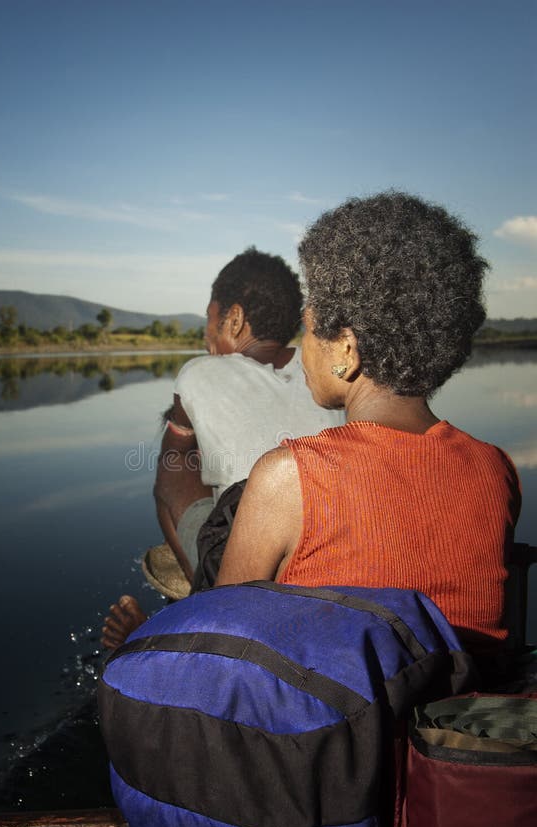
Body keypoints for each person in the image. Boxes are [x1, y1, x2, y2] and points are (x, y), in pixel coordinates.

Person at [216, 192, 521, 659]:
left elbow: (218, 650)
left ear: (346, 349)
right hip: (458, 722)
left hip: (340, 730)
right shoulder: (495, 468)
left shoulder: (289, 478)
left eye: (309, 319)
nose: (303, 341)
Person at [101, 247, 343, 648]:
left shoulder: (200, 372)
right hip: (332, 547)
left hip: (257, 566)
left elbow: (175, 461)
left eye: (209, 325)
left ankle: (200, 597)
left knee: (174, 467)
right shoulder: (323, 368)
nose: (207, 339)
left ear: (234, 319)